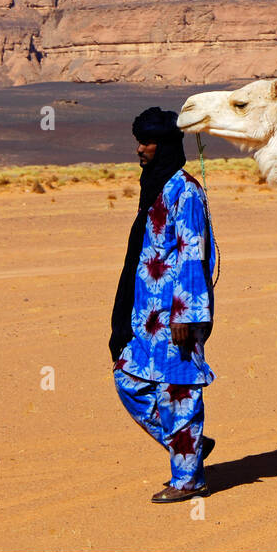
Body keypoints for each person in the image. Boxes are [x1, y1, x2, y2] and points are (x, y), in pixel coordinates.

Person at [109, 106, 217, 503]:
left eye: (147, 142)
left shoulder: (186, 191)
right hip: (144, 316)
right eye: (139, 141)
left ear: (166, 145)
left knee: (179, 391)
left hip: (176, 316)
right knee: (128, 378)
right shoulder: (154, 185)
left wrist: (186, 313)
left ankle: (189, 480)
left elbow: (194, 252)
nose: (140, 149)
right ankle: (186, 446)